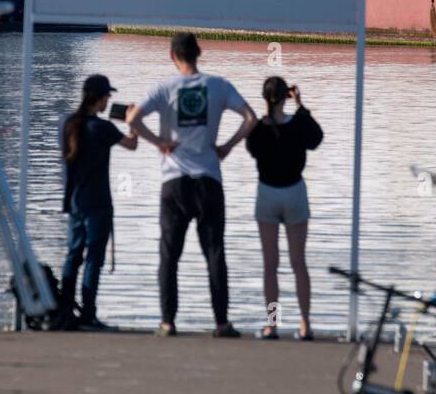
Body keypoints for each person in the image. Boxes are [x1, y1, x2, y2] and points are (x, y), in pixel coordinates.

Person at [129, 32, 257, 337]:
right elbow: (251, 117)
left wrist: (159, 142)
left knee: (169, 255)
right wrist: (226, 146)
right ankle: (221, 323)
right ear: (199, 53)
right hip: (209, 180)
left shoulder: (164, 88)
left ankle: (167, 322)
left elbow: (132, 118)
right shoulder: (219, 86)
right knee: (214, 253)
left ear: (172, 56)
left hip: (174, 182)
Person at [246, 76, 323, 340]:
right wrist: (301, 106)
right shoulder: (299, 124)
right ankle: (305, 323)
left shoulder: (259, 128)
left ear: (265, 98)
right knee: (298, 263)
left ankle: (272, 325)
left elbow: (253, 150)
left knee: (270, 265)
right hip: (294, 192)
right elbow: (317, 139)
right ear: (287, 96)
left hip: (267, 192)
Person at [59, 74, 139, 331]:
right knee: (94, 258)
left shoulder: (67, 124)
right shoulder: (102, 128)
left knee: (73, 255)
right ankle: (89, 315)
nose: (109, 101)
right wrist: (133, 123)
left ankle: (65, 310)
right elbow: (132, 145)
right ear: (100, 98)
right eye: (107, 96)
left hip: (74, 203)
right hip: (98, 204)